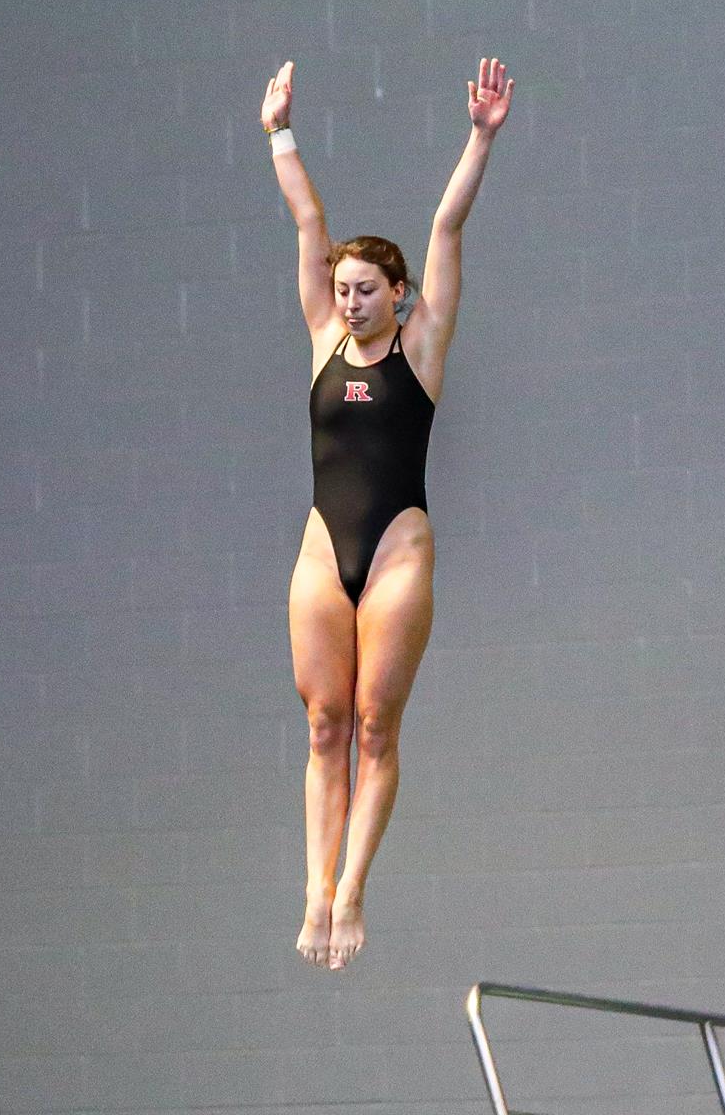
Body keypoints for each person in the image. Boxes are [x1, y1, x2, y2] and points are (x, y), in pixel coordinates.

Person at [261, 56, 514, 970]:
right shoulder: (325, 338)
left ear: (398, 295)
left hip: (400, 551)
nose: (351, 299)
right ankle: (313, 890)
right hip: (325, 551)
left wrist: (480, 138)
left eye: (367, 288)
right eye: (342, 288)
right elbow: (307, 220)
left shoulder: (424, 347)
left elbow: (447, 225)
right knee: (324, 723)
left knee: (374, 723)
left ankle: (355, 885)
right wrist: (279, 131)